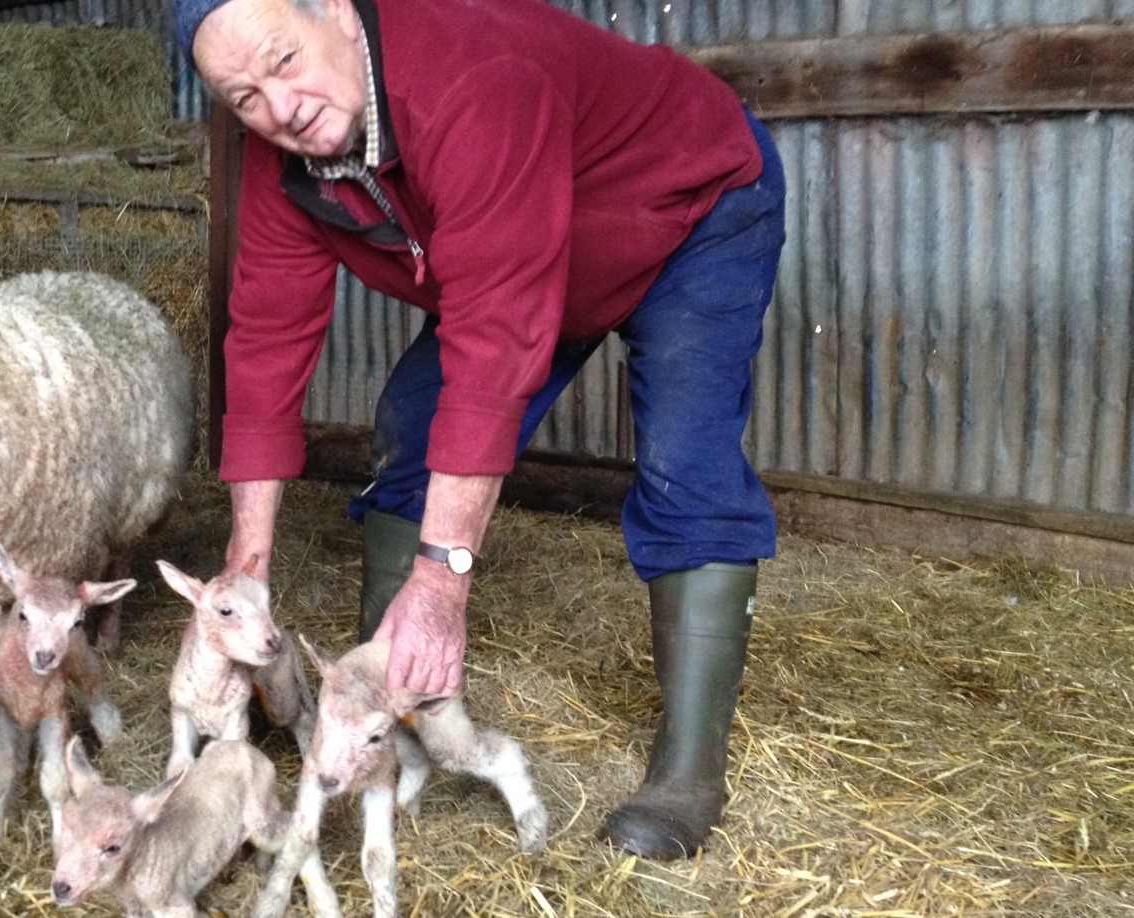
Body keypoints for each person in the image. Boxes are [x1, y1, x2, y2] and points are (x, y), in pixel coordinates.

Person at [174, 0, 786, 861]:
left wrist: (444, 577)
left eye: (284, 60)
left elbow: (497, 338)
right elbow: (268, 339)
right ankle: (387, 714)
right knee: (413, 434)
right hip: (539, 249)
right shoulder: (285, 157)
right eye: (245, 98)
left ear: (342, 16)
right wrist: (246, 566)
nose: (280, 107)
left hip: (689, 209)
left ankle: (687, 775)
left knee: (685, 459)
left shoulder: (470, 72)